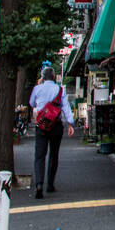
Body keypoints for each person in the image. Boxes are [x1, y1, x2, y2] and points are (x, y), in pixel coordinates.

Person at [29, 65, 74, 199]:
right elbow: (66, 107)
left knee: (39, 156)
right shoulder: (60, 89)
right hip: (56, 125)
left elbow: (32, 103)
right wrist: (70, 124)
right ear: (54, 77)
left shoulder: (37, 89)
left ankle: (39, 184)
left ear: (42, 77)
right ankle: (50, 184)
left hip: (42, 125)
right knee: (54, 154)